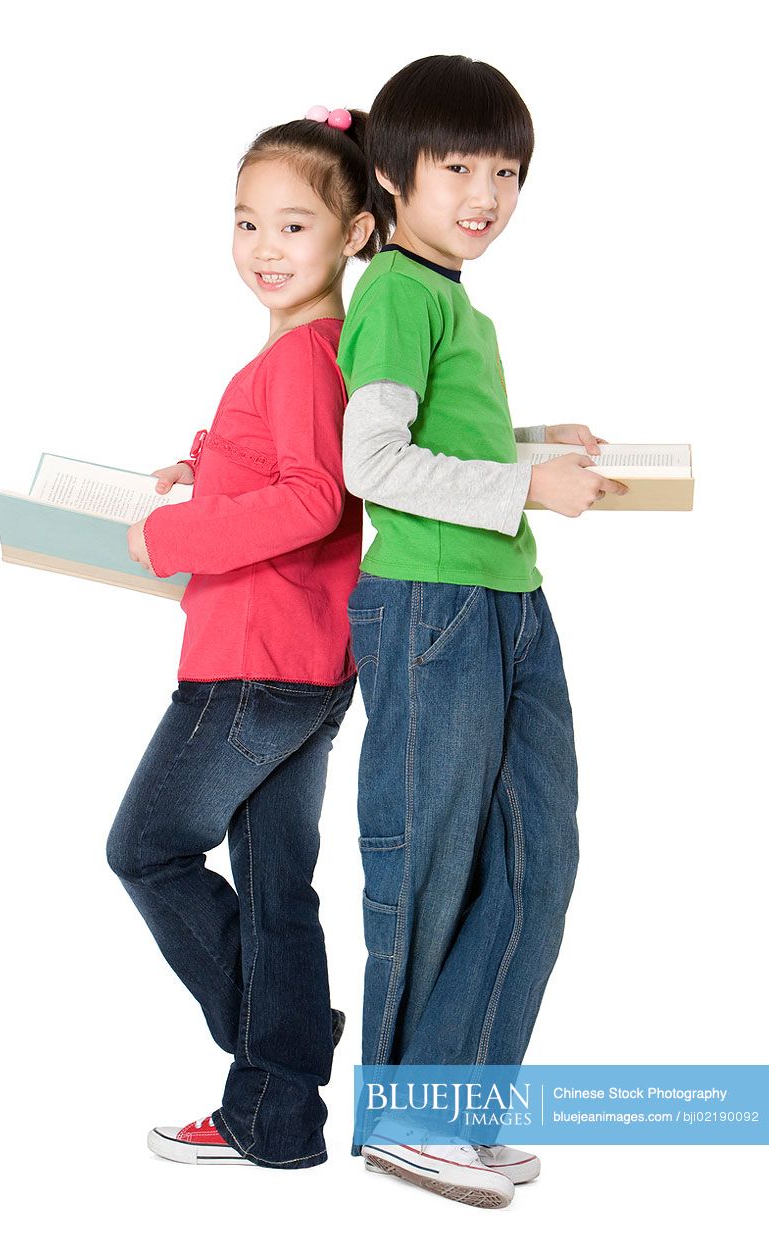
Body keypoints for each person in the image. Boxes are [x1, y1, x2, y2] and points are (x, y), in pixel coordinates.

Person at [336, 55, 628, 1207]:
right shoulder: (397, 294)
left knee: (537, 854)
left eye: (505, 169)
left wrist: (526, 441)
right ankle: (409, 1114)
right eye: (457, 164)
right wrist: (522, 487)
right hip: (431, 606)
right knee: (432, 860)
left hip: (503, 600)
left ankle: (454, 1107)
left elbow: (437, 439)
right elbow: (373, 464)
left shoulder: (450, 299)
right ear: (393, 175)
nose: (485, 192)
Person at [106, 105, 385, 1170]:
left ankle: (288, 1037)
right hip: (299, 665)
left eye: (293, 228)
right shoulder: (303, 352)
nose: (264, 249)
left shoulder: (307, 356)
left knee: (146, 847)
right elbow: (282, 470)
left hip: (251, 665)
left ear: (355, 234)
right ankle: (274, 1116)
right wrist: (201, 464)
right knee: (274, 889)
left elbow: (314, 499)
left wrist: (173, 530)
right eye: (245, 224)